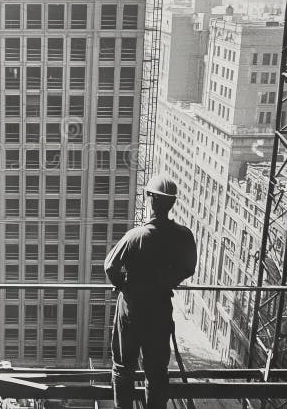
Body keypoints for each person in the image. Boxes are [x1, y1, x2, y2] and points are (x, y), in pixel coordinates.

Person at [104, 173, 197, 409]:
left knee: (124, 368)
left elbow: (110, 266)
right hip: (159, 311)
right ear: (172, 203)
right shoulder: (183, 236)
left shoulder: (136, 236)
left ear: (151, 201)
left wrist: (122, 284)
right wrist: (168, 279)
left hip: (132, 311)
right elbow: (189, 267)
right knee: (156, 371)